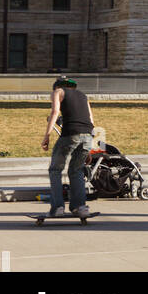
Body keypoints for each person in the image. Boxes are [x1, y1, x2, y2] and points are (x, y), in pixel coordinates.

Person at [40, 76, 94, 219]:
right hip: (88, 136)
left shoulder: (58, 92)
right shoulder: (83, 96)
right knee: (77, 170)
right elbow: (91, 119)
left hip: (71, 134)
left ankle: (57, 208)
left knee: (55, 169)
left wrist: (47, 135)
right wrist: (89, 147)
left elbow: (55, 112)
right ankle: (80, 207)